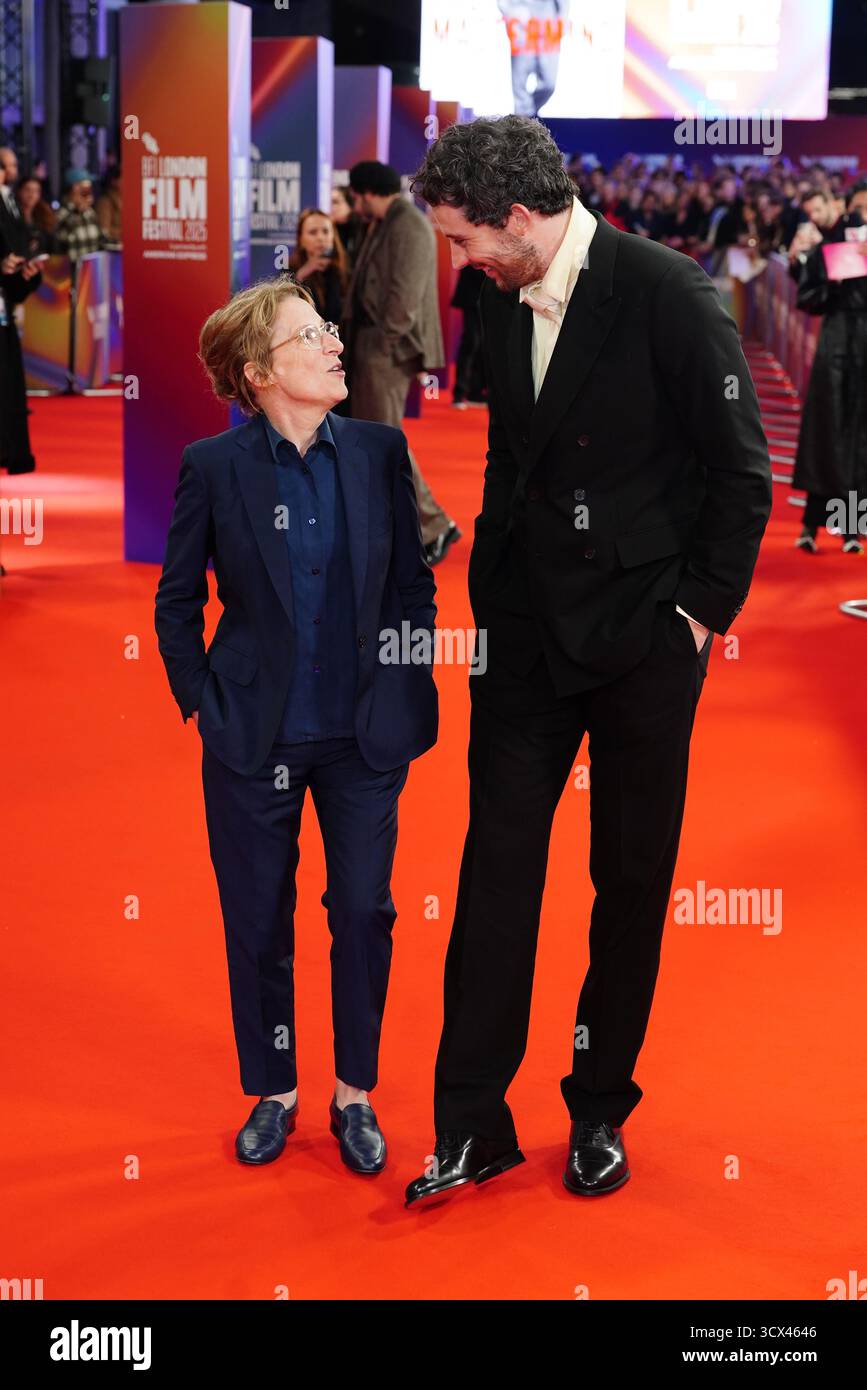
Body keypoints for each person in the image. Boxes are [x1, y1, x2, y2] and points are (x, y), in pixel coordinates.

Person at [405, 115, 771, 1206]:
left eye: (467, 240)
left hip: (642, 644)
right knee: (494, 873)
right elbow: (510, 454)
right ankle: (469, 1120)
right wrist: (491, 592)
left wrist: (692, 621)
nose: (459, 264)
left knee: (631, 882)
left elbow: (741, 473)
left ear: (518, 219)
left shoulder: (669, 291)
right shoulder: (498, 287)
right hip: (522, 640)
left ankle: (599, 1107)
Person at [154, 277, 438, 1175]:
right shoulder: (214, 467)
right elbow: (175, 602)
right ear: (257, 372)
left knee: (363, 912)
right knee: (256, 919)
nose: (333, 345)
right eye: (310, 336)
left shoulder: (378, 452)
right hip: (254, 737)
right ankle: (272, 1090)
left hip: (362, 740)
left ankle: (354, 1092)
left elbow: (410, 587)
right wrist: (203, 698)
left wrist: (401, 677)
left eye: (327, 330)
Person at [342, 160, 461, 566]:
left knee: (384, 443)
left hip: (385, 351)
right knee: (376, 444)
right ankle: (399, 529)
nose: (354, 206)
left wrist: (383, 345)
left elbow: (404, 298)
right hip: (373, 347)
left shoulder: (407, 224)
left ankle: (435, 525)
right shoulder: (385, 222)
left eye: (355, 197)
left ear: (365, 192)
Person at [790, 188, 867, 555]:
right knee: (827, 432)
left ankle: (852, 528)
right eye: (859, 208)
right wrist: (832, 280)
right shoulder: (830, 247)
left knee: (860, 439)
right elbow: (807, 297)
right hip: (835, 346)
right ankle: (810, 526)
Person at [0, 156, 42, 475]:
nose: (8, 173)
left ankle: (11, 450)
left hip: (4, 310)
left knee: (10, 382)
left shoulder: (9, 204)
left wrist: (22, 272)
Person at [287, 206, 348, 324]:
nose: (320, 238)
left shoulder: (345, 270)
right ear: (301, 240)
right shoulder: (289, 272)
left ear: (333, 237)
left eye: (325, 231)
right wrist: (301, 275)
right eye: (313, 232)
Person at [450, 265, 487, 408]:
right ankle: (459, 393)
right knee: (471, 342)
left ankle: (475, 392)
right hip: (471, 294)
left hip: (489, 295)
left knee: (484, 345)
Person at [54, 169, 107, 261]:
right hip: (70, 269)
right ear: (75, 188)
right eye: (86, 188)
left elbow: (101, 238)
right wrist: (75, 208)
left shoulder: (90, 212)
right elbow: (57, 243)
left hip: (91, 268)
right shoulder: (62, 213)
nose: (90, 192)